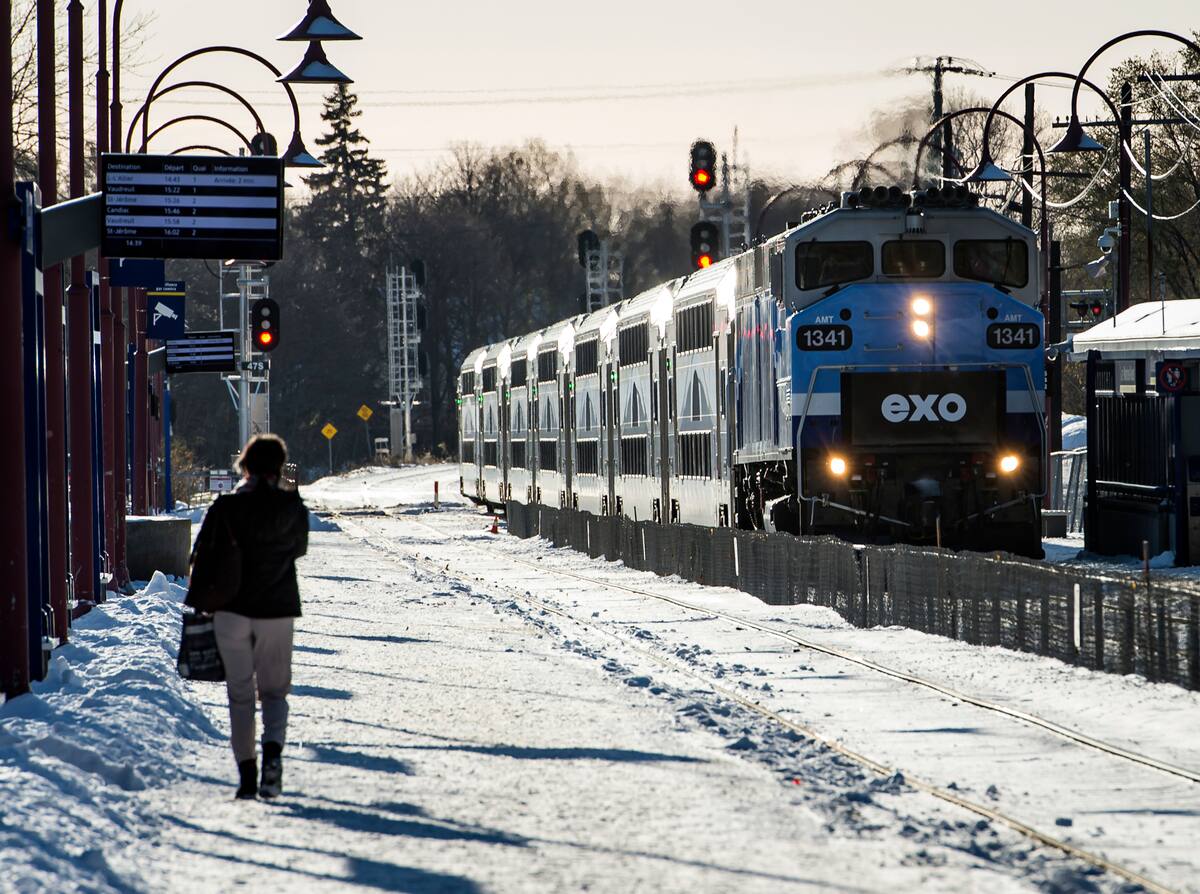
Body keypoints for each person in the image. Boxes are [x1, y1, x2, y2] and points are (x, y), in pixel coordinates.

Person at [192, 434, 308, 799]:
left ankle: (246, 775)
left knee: (240, 695)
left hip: (231, 610)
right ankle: (273, 757)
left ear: (244, 465)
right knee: (274, 692)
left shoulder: (225, 507)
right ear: (279, 466)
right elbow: (299, 548)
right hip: (276, 609)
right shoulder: (291, 506)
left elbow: (199, 555)